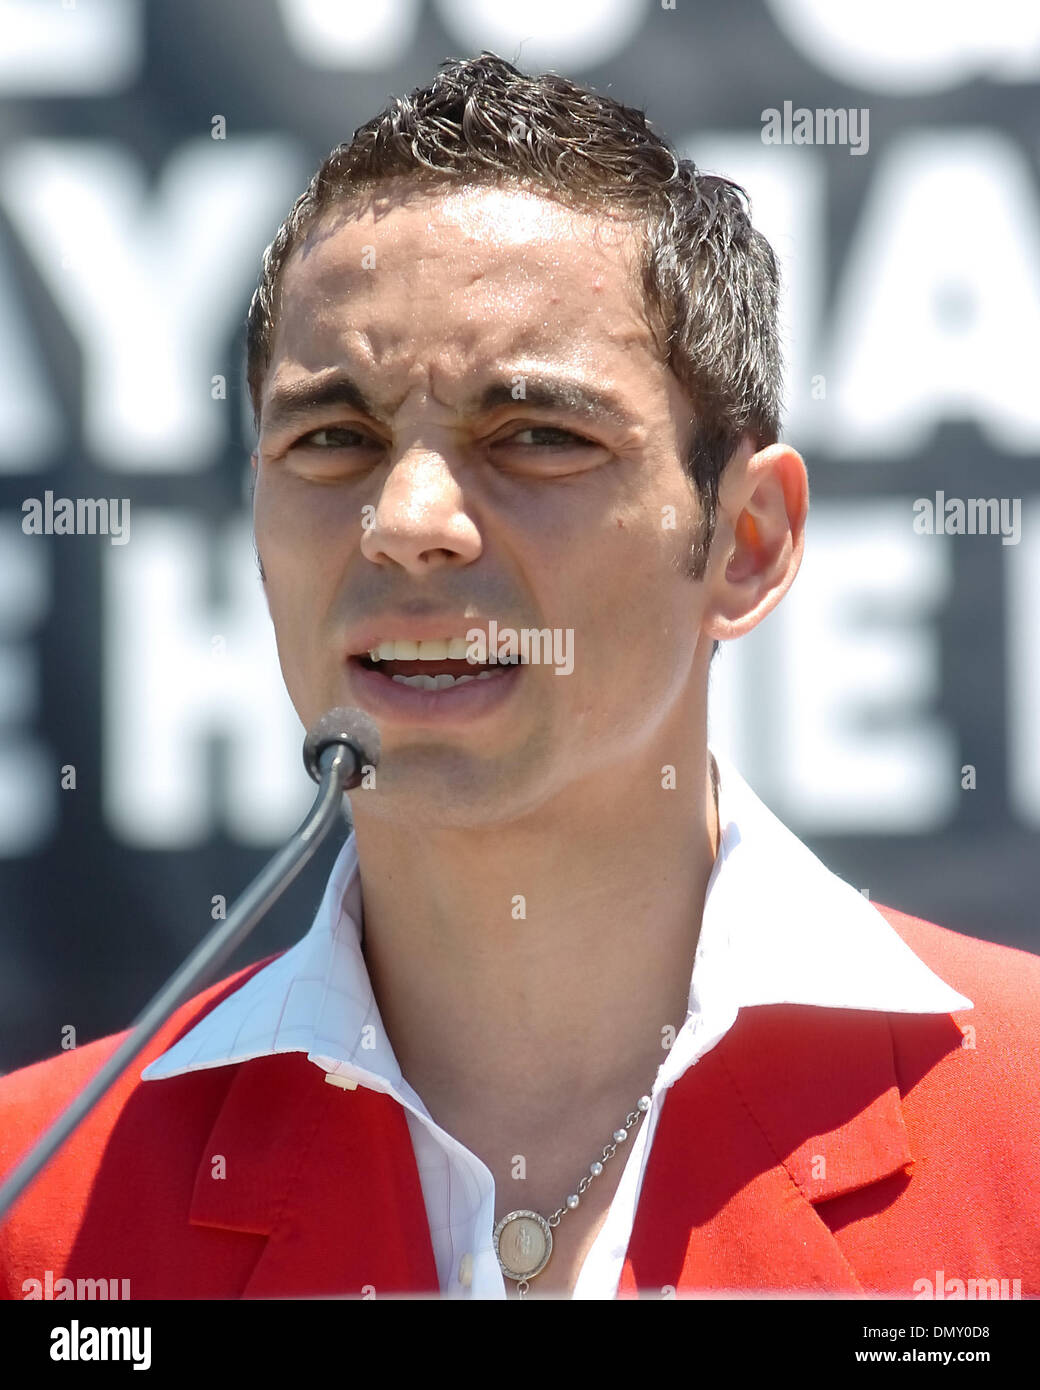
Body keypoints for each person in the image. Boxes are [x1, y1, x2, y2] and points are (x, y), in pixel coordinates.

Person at [2, 51, 1037, 1303]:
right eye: (332, 438)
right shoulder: (36, 1198)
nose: (408, 518)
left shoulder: (1018, 1115)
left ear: (745, 541)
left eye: (536, 434)